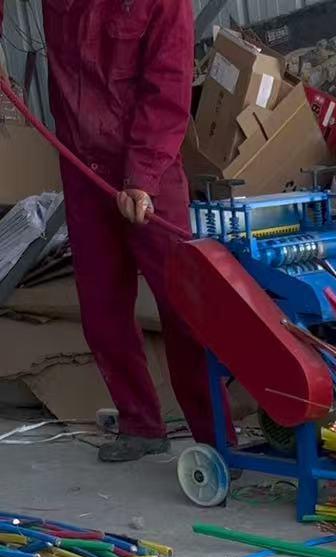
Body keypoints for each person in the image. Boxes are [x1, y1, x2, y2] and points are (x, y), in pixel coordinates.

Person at [0, 0, 216, 460]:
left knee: (183, 306)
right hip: (82, 165)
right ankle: (140, 424)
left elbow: (168, 84)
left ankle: (216, 439)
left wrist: (142, 177)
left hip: (149, 169)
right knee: (101, 306)